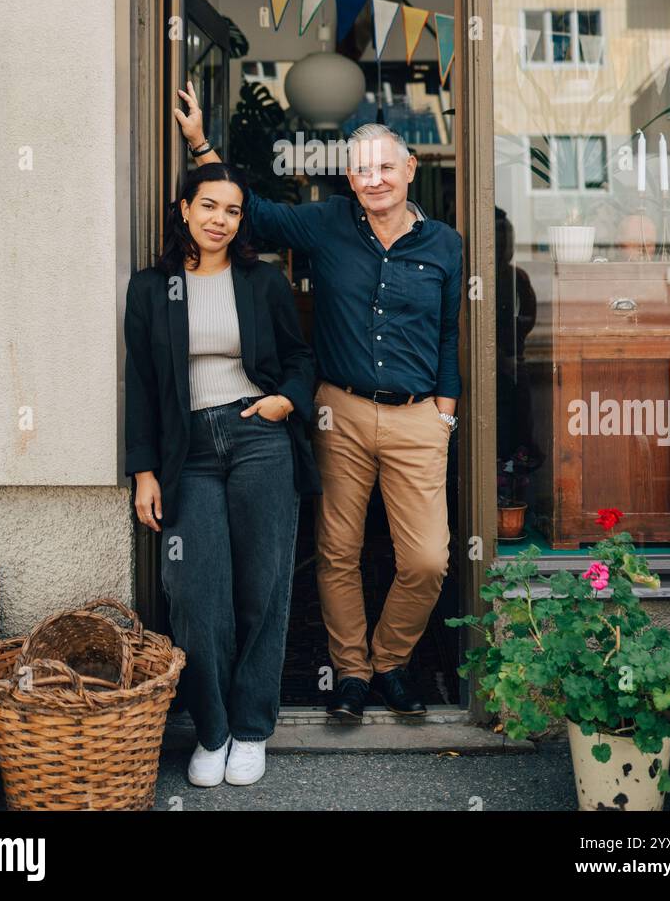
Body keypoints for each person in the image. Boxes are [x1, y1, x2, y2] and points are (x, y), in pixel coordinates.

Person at [175, 81, 463, 723]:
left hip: (419, 416)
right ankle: (353, 674)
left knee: (427, 559)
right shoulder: (330, 222)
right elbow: (255, 210)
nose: (374, 178)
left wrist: (446, 411)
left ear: (409, 169)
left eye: (386, 166)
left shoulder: (444, 243)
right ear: (350, 178)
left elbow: (448, 334)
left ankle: (391, 661)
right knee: (337, 550)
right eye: (362, 169)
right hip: (342, 410)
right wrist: (200, 146)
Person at [124, 163, 319, 787]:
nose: (219, 220)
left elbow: (299, 356)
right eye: (208, 206)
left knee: (264, 587)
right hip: (190, 454)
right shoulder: (152, 288)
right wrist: (144, 472)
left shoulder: (262, 281)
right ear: (183, 208)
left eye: (232, 211)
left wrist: (285, 400)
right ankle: (212, 728)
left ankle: (252, 727)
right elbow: (143, 388)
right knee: (194, 593)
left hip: (258, 436)